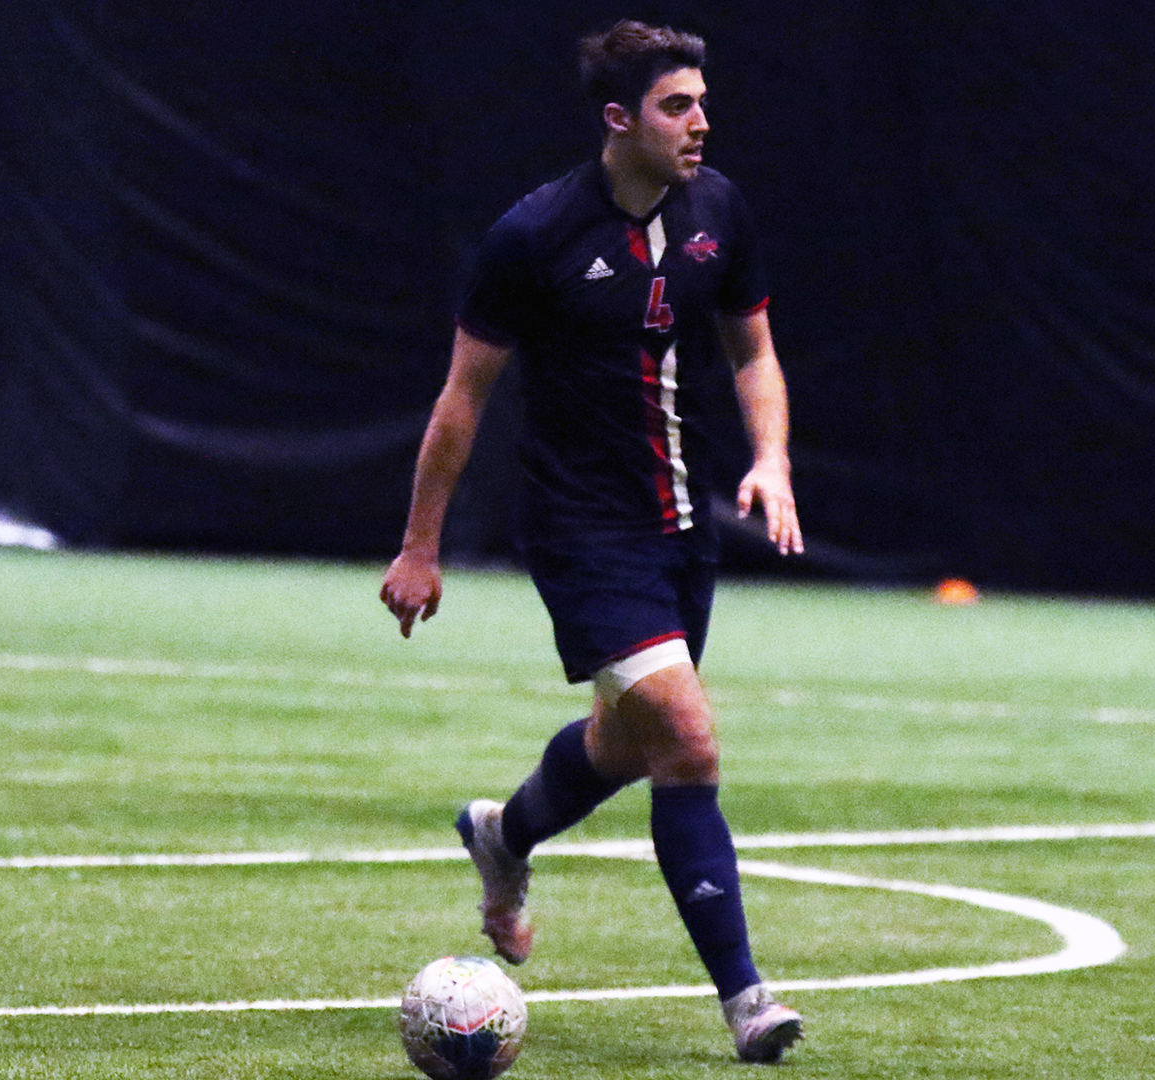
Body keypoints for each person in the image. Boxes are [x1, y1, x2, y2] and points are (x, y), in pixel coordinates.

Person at [380, 19, 804, 1064]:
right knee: (689, 740)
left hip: (683, 528)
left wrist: (772, 458)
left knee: (628, 743)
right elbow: (462, 399)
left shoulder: (718, 211)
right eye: (676, 106)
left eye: (702, 103)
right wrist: (421, 545)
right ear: (619, 119)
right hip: (580, 529)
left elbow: (753, 351)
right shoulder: (534, 237)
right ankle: (747, 999)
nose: (699, 123)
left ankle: (504, 834)